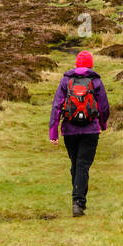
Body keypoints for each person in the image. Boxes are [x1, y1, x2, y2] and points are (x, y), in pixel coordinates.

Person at [48, 50, 110, 217]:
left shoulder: (66, 80)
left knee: (76, 164)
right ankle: (78, 202)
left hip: (70, 131)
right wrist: (102, 124)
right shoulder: (96, 81)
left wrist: (53, 133)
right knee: (82, 165)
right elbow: (104, 107)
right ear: (90, 65)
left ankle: (78, 198)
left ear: (76, 64)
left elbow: (56, 106)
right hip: (90, 131)